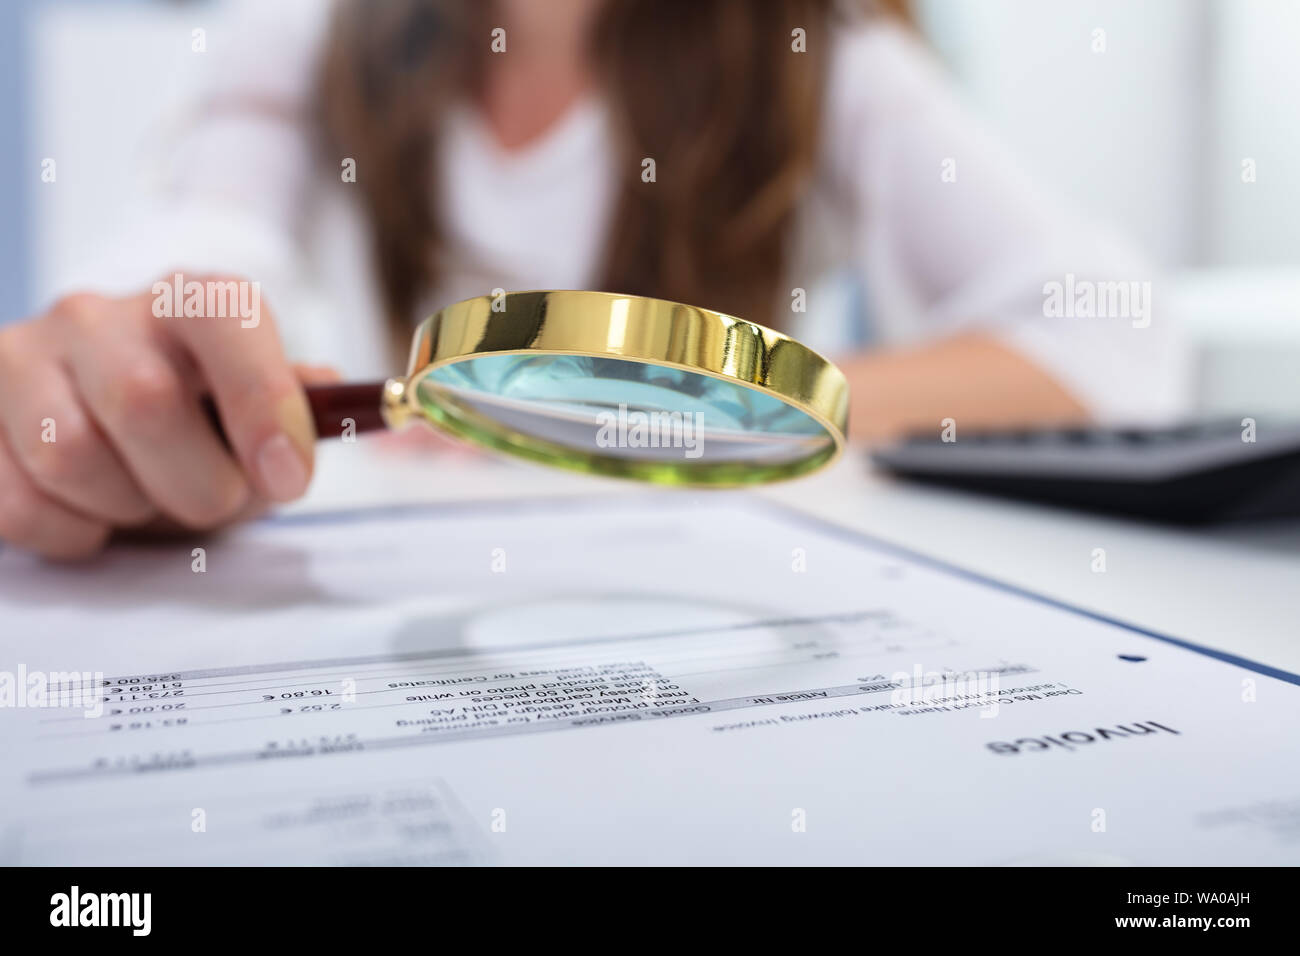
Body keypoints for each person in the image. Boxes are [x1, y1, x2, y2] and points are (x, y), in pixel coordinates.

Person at [0, 0, 1188, 559]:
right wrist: (130, 362)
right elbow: (202, 248)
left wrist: (696, 406)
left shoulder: (819, 55)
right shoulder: (306, 39)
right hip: (409, 594)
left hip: (734, 578)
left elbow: (1117, 334)